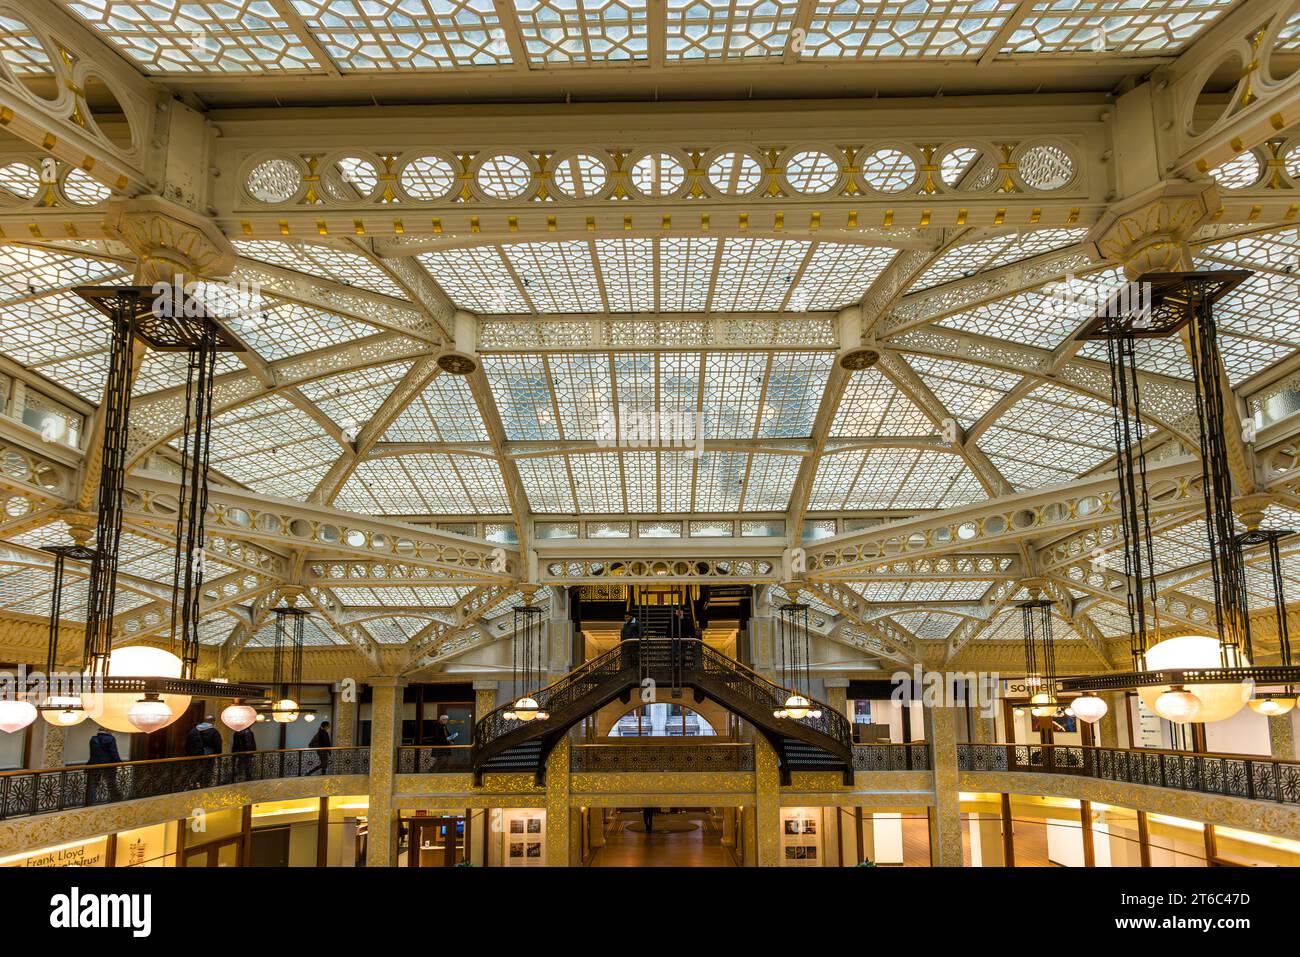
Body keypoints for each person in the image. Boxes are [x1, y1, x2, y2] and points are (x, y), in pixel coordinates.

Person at [86, 726, 121, 803]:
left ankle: (90, 802)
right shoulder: (111, 739)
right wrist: (120, 763)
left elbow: (93, 754)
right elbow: (114, 753)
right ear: (108, 730)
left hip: (94, 765)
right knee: (111, 784)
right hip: (108, 766)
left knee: (93, 785)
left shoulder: (93, 739)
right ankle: (116, 800)